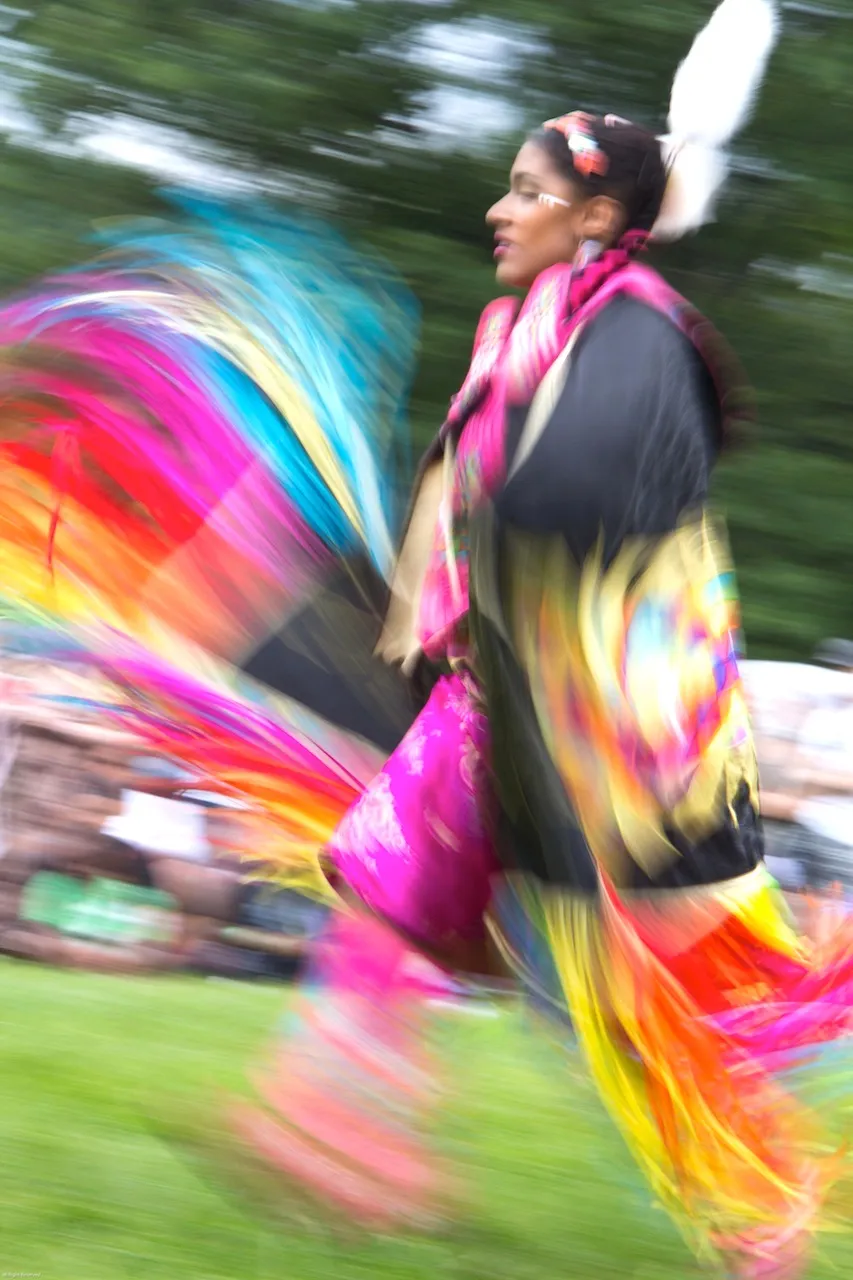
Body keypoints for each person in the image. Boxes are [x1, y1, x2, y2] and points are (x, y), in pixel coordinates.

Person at [231, 3, 853, 1275]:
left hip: (607, 726)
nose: (496, 212)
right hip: (495, 692)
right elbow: (469, 507)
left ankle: (761, 1211)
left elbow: (584, 501)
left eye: (524, 192)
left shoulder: (639, 332)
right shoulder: (521, 329)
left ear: (595, 214)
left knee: (623, 1002)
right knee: (387, 880)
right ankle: (340, 1135)